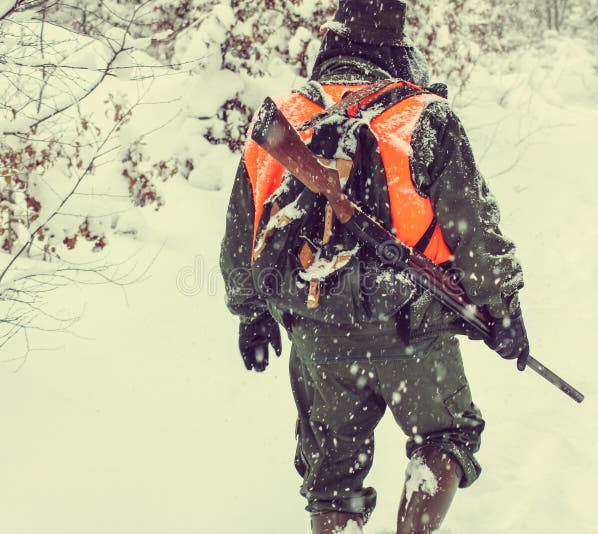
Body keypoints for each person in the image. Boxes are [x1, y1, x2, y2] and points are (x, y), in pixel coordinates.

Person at [219, 1, 530, 532]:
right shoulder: (424, 116)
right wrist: (504, 310)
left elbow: (240, 236)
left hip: (319, 335)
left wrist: (250, 312)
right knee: (445, 438)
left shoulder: (284, 117)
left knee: (331, 482)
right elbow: (474, 233)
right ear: (395, 51)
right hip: (411, 330)